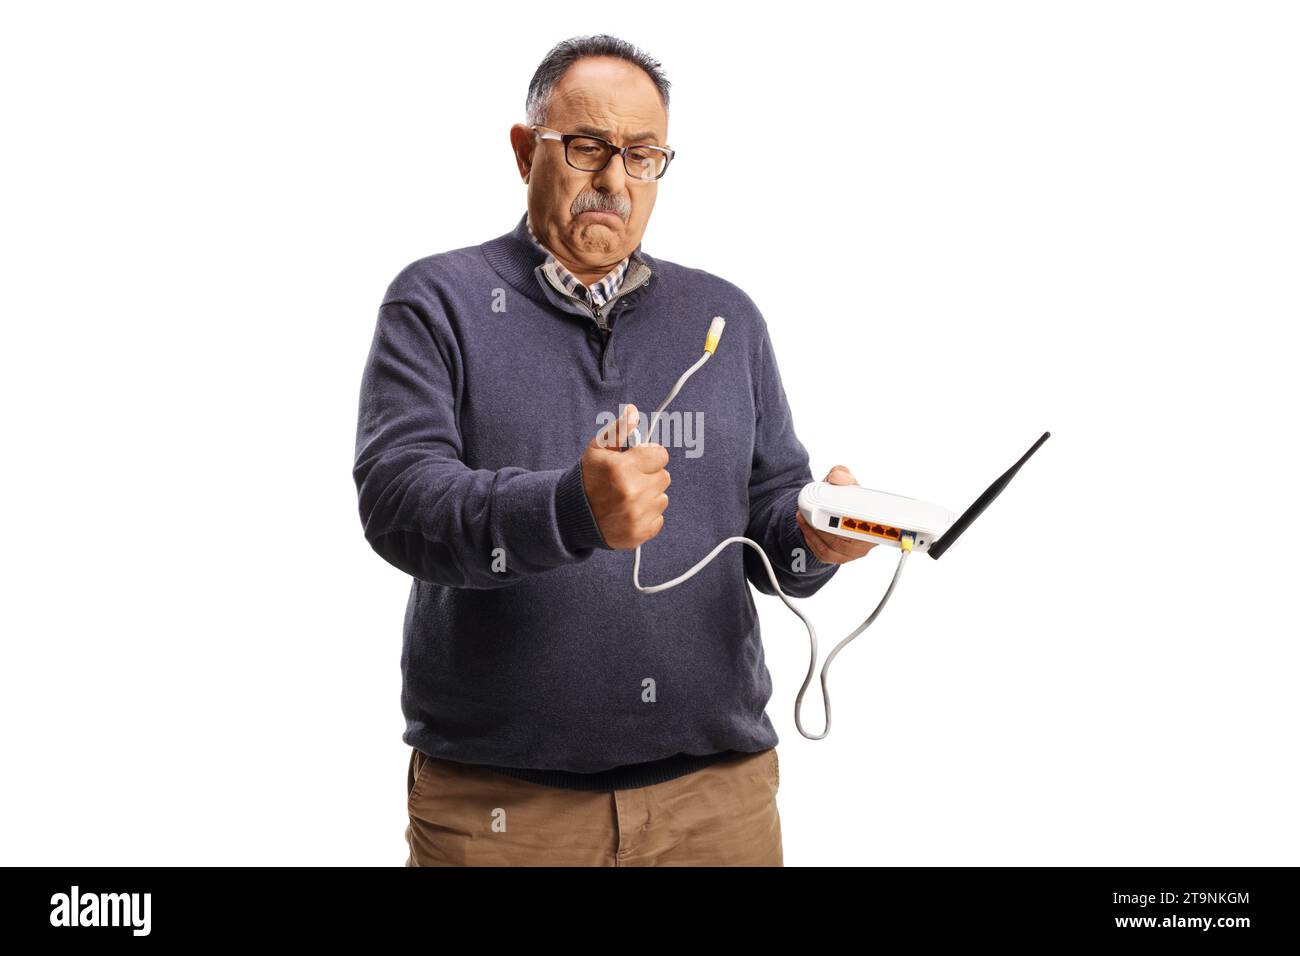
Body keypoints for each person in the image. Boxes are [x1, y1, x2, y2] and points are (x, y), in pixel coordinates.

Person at [353, 34, 875, 867]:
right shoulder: (438, 302)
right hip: (503, 809)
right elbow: (399, 506)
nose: (614, 180)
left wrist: (818, 536)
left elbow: (769, 515)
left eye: (642, 155)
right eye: (588, 147)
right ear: (527, 153)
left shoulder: (724, 317)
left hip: (718, 802)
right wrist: (572, 510)